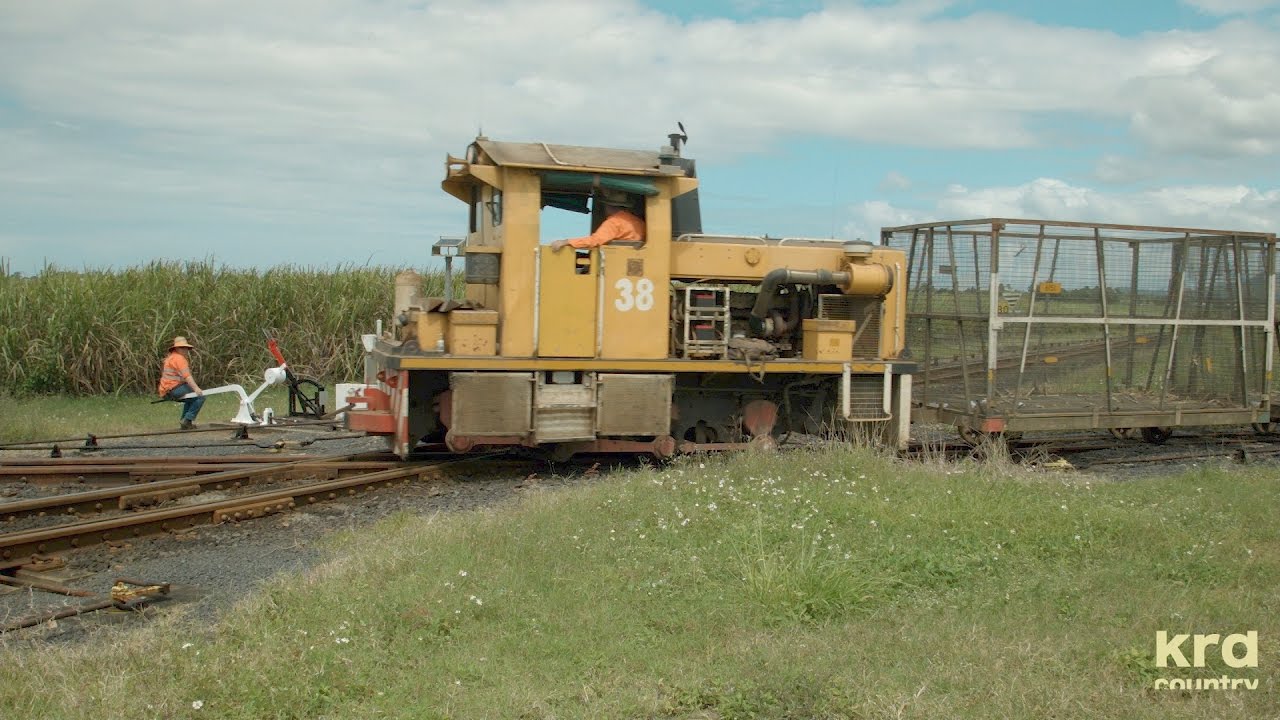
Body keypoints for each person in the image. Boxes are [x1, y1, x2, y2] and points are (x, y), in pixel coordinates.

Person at [550, 189, 645, 251]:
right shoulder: (638, 222)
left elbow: (595, 240)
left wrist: (566, 242)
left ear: (608, 206)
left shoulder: (614, 222)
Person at [158, 336, 205, 429]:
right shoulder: (180, 359)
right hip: (173, 389)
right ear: (176, 348)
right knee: (200, 397)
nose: (185, 350)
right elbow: (187, 376)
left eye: (185, 348)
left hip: (166, 390)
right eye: (182, 347)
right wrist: (196, 388)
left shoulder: (171, 358)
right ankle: (187, 420)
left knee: (191, 398)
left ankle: (185, 420)